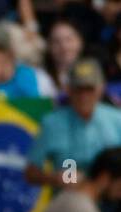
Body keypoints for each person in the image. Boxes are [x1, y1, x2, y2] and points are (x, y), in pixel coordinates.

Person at [26, 58, 121, 188]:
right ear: (69, 90)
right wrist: (54, 177)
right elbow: (30, 172)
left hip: (110, 201)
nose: (84, 96)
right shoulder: (52, 123)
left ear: (101, 88)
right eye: (78, 89)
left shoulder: (117, 119)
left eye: (89, 89)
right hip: (69, 198)